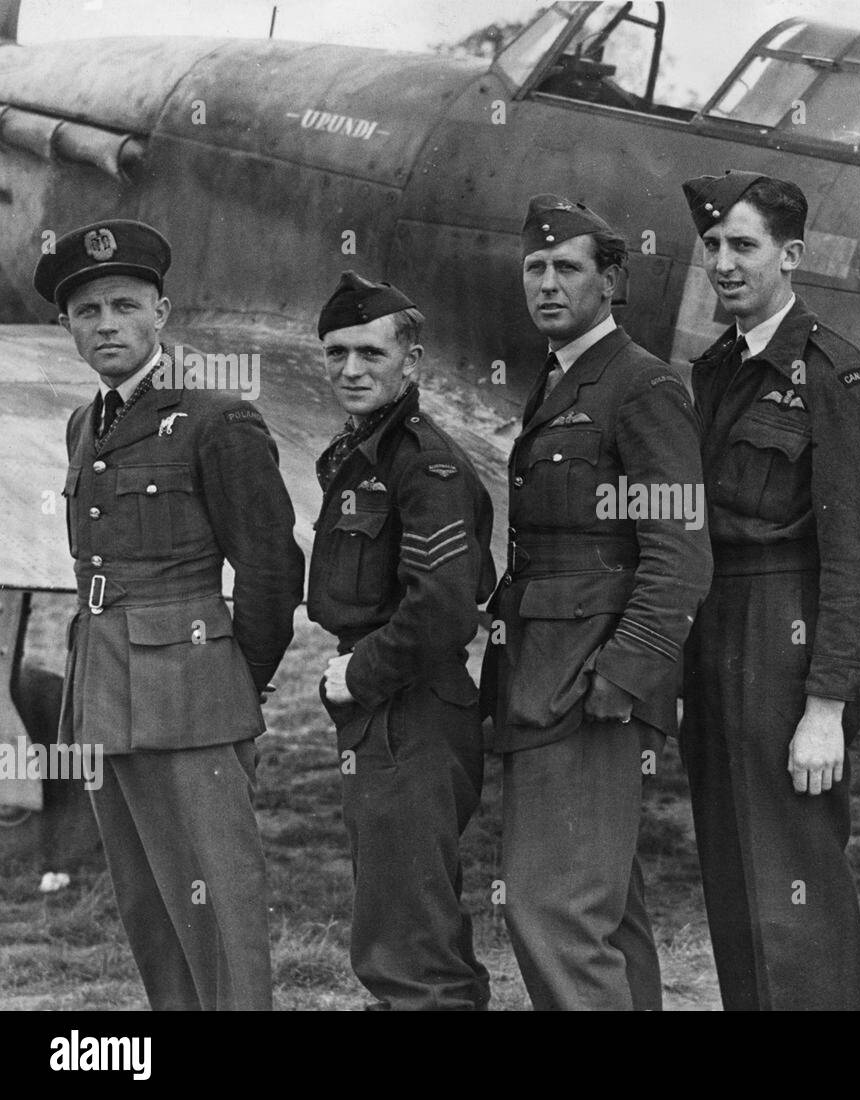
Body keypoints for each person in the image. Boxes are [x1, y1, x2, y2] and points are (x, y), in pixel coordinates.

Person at [35, 219, 303, 1010]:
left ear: (163, 313)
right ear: (69, 326)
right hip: (104, 688)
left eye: (125, 305)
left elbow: (270, 568)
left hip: (192, 691)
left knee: (218, 905)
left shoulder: (220, 418)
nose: (107, 324)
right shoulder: (88, 423)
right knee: (149, 905)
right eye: (88, 312)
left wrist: (230, 677)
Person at [480, 194, 712, 1010]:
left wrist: (624, 674)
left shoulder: (641, 386)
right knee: (604, 915)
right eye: (535, 268)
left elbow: (680, 549)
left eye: (567, 267)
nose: (547, 284)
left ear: (610, 279)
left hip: (587, 688)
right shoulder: (564, 378)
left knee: (555, 910)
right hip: (546, 677)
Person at [678, 171, 860, 1011]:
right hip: (717, 639)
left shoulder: (838, 378)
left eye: (744, 246)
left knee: (796, 887)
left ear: (791, 256)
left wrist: (825, 705)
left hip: (788, 642)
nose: (723, 264)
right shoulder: (718, 368)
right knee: (734, 883)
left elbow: (857, 560)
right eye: (713, 248)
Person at [308, 271, 494, 1010]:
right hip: (391, 711)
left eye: (371, 354)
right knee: (408, 927)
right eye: (335, 353)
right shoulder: (364, 450)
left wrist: (358, 677)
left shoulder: (426, 464)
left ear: (411, 361)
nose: (350, 370)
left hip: (409, 710)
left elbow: (445, 608)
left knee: (409, 950)